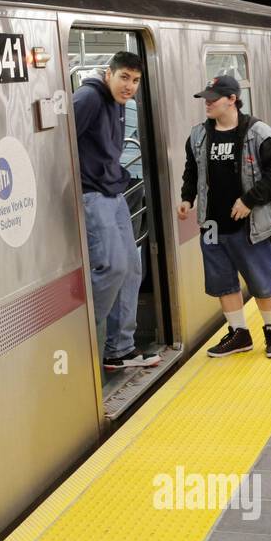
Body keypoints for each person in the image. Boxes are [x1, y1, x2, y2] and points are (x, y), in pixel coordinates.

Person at [178, 74, 271, 359]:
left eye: (213, 99)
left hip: (249, 223)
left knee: (261, 279)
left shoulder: (259, 133)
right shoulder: (199, 135)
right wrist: (186, 199)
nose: (208, 104)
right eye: (206, 99)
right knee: (223, 282)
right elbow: (192, 171)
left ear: (232, 99)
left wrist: (249, 201)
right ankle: (239, 334)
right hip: (212, 224)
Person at [74, 51, 162, 371]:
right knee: (111, 267)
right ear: (108, 73)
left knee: (131, 268)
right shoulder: (88, 98)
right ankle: (77, 338)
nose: (130, 86)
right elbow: (59, 140)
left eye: (136, 81)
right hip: (92, 195)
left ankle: (119, 349)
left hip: (113, 192)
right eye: (124, 77)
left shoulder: (119, 102)